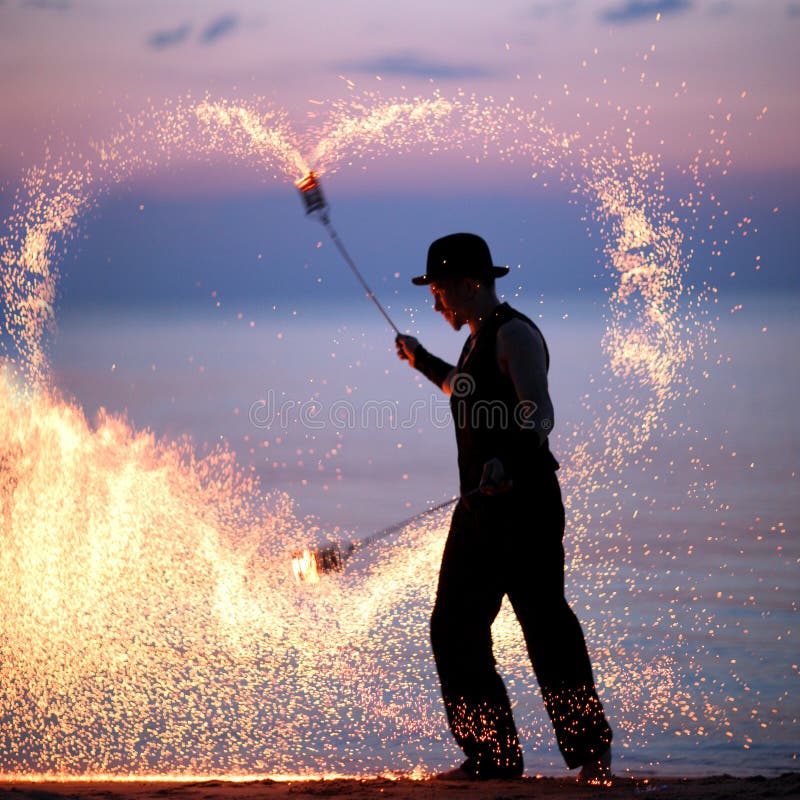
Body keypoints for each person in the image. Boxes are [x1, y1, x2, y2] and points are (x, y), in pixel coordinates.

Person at [395, 232, 613, 784]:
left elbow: (538, 416)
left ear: (471, 283)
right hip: (477, 512)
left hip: (526, 508)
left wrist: (506, 463)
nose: (435, 301)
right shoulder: (474, 339)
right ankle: (492, 757)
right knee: (453, 629)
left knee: (546, 628)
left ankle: (592, 757)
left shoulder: (514, 334)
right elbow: (461, 386)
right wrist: (420, 359)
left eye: (440, 289)